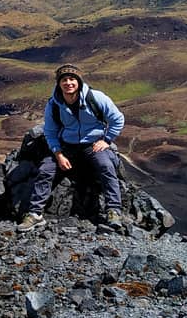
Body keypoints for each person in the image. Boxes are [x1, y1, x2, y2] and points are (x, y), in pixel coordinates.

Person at [16, 64, 125, 232]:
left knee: (106, 166)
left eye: (72, 79)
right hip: (67, 146)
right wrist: (58, 154)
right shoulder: (53, 105)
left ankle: (114, 211)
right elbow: (50, 132)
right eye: (64, 80)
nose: (68, 83)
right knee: (46, 170)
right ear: (59, 84)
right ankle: (34, 214)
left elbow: (117, 119)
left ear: (79, 82)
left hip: (93, 144)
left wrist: (107, 140)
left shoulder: (96, 98)